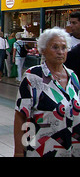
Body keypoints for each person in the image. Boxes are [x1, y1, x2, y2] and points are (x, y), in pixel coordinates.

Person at [14, 27, 80, 157]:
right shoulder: (32, 77)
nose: (60, 52)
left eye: (64, 47)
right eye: (55, 47)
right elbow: (21, 117)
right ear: (43, 50)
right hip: (42, 149)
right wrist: (18, 151)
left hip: (74, 149)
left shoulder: (73, 77)